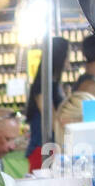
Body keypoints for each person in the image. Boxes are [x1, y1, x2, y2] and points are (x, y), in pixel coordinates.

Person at [26, 36, 69, 170]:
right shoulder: (43, 86)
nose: (69, 60)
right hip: (44, 148)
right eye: (67, 55)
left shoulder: (54, 84)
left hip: (51, 147)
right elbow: (50, 118)